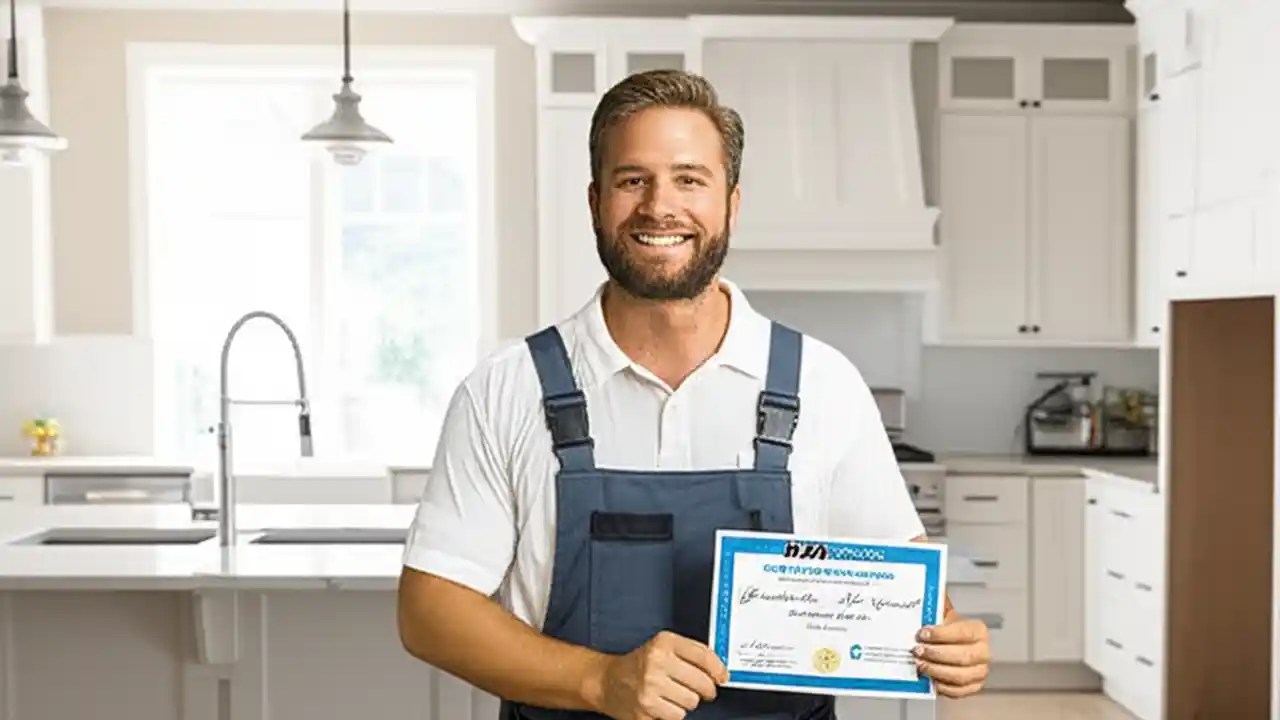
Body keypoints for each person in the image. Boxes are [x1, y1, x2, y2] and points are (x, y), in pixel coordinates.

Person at [397, 69, 990, 720]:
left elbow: (904, 592)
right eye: (632, 180)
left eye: (689, 179)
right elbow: (431, 610)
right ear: (595, 200)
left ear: (731, 203)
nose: (659, 206)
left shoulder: (823, 384)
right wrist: (600, 681)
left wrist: (951, 641)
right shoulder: (506, 389)